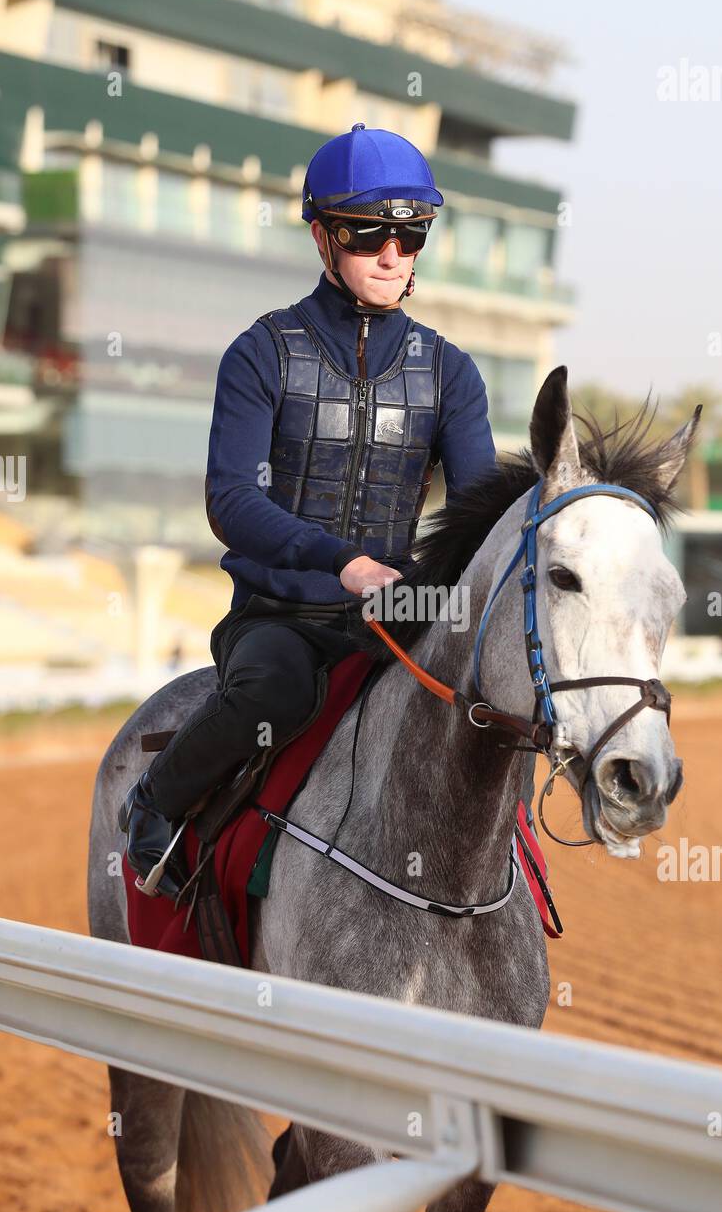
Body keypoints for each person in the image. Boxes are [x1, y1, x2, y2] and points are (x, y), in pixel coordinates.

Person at [119, 123, 499, 895]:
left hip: (397, 617)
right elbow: (231, 500)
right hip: (280, 617)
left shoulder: (452, 373)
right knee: (278, 692)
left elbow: (480, 513)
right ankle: (153, 802)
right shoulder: (260, 352)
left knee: (483, 709)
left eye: (410, 235)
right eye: (368, 234)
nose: (392, 254)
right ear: (324, 237)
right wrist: (342, 562)